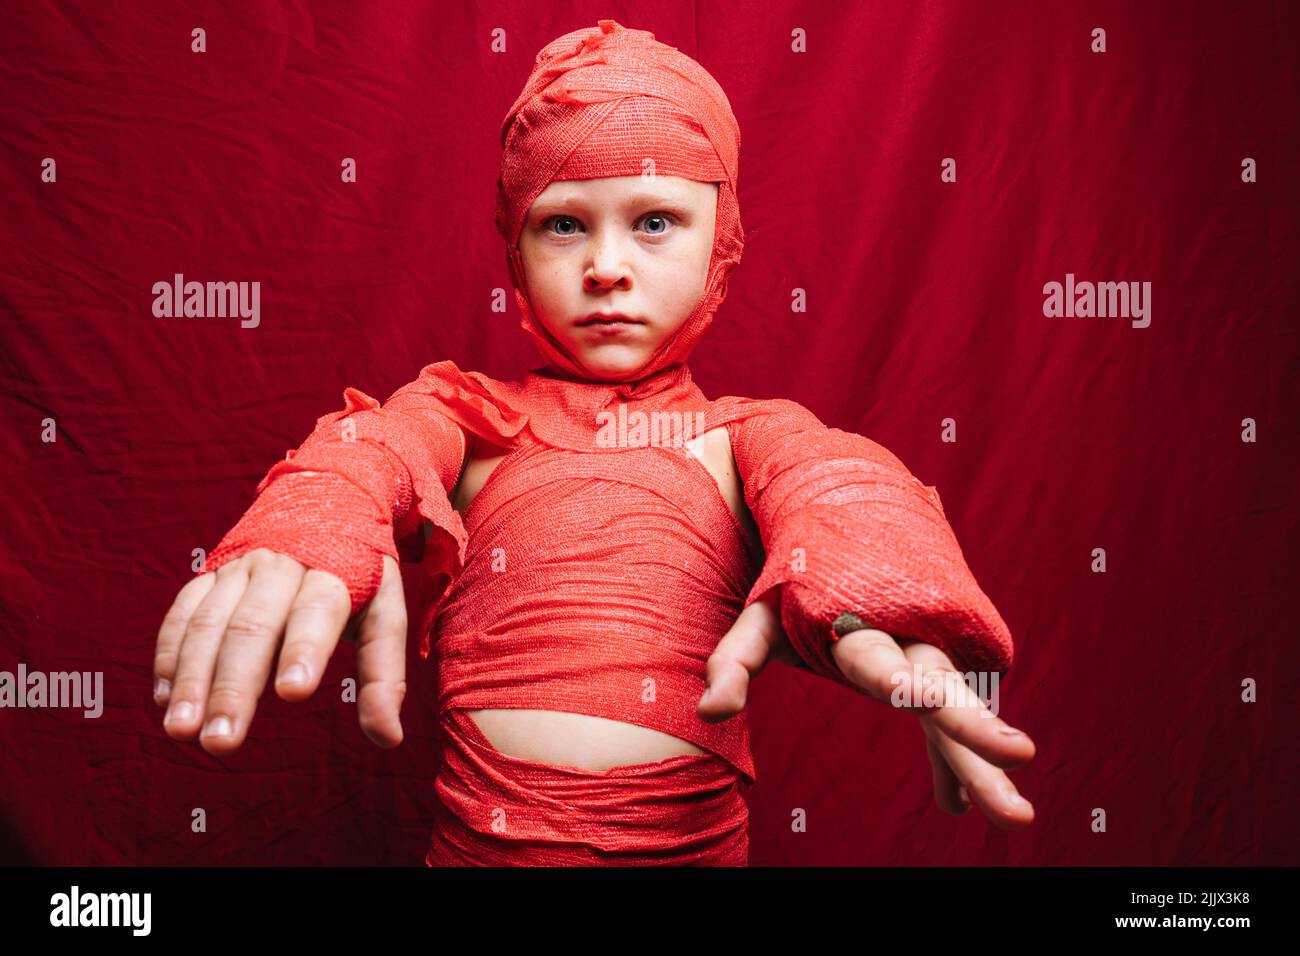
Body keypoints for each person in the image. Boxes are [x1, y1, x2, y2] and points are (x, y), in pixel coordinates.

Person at [153, 19, 1035, 866]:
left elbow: (840, 484)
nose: (606, 265)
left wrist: (880, 586)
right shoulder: (470, 419)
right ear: (516, 248)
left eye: (655, 221)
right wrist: (318, 512)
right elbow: (375, 446)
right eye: (564, 223)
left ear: (720, 242)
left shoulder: (746, 439)